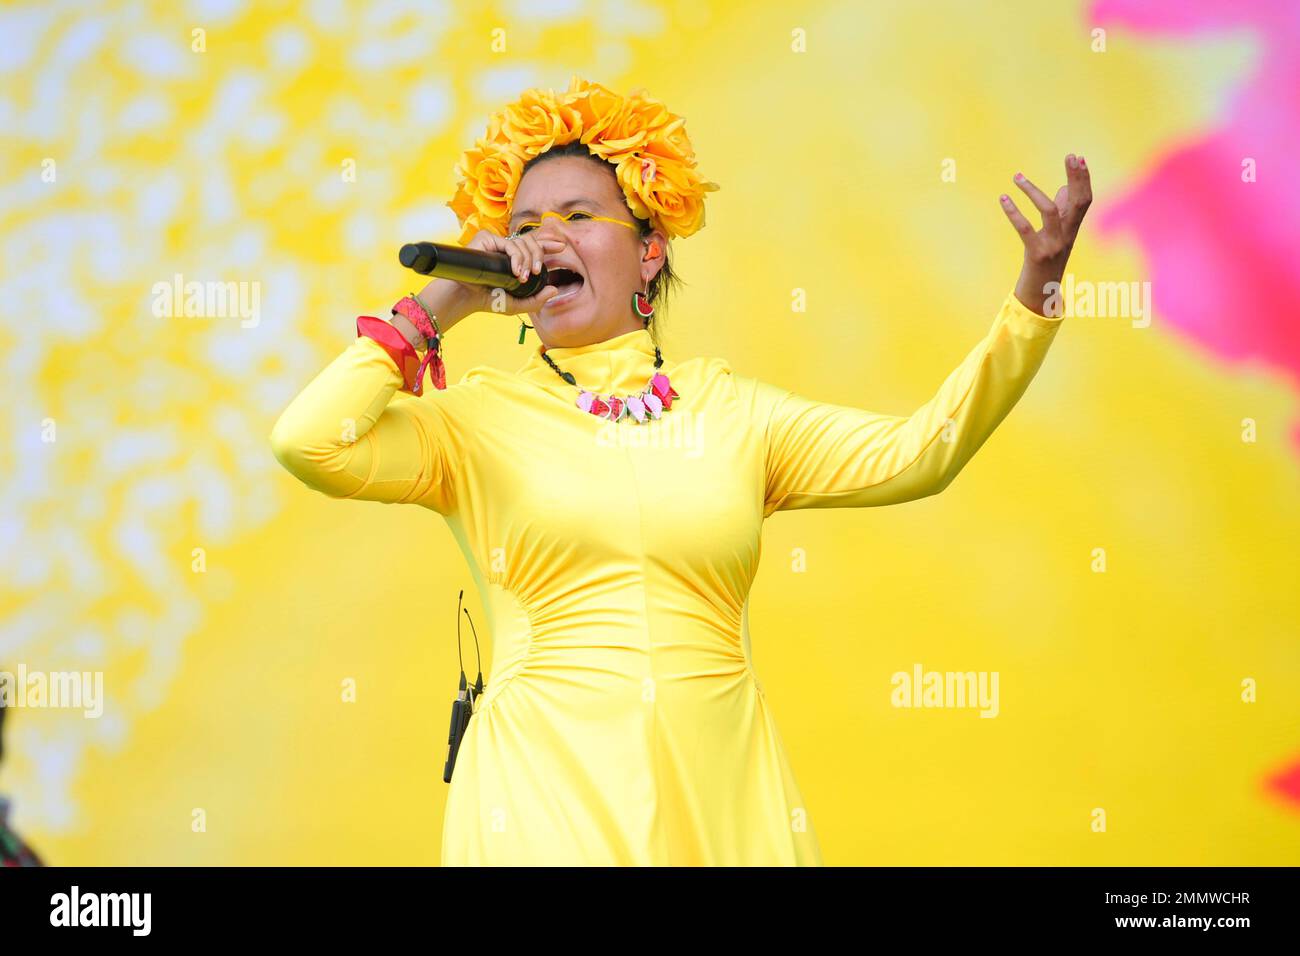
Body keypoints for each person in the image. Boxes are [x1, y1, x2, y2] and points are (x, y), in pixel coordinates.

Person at [269, 75, 1092, 866]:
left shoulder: (735, 413)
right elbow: (311, 442)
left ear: (651, 250)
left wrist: (1035, 297)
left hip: (722, 789)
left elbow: (925, 451)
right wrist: (442, 303)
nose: (544, 239)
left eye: (577, 215)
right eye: (525, 224)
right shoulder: (475, 423)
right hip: (542, 794)